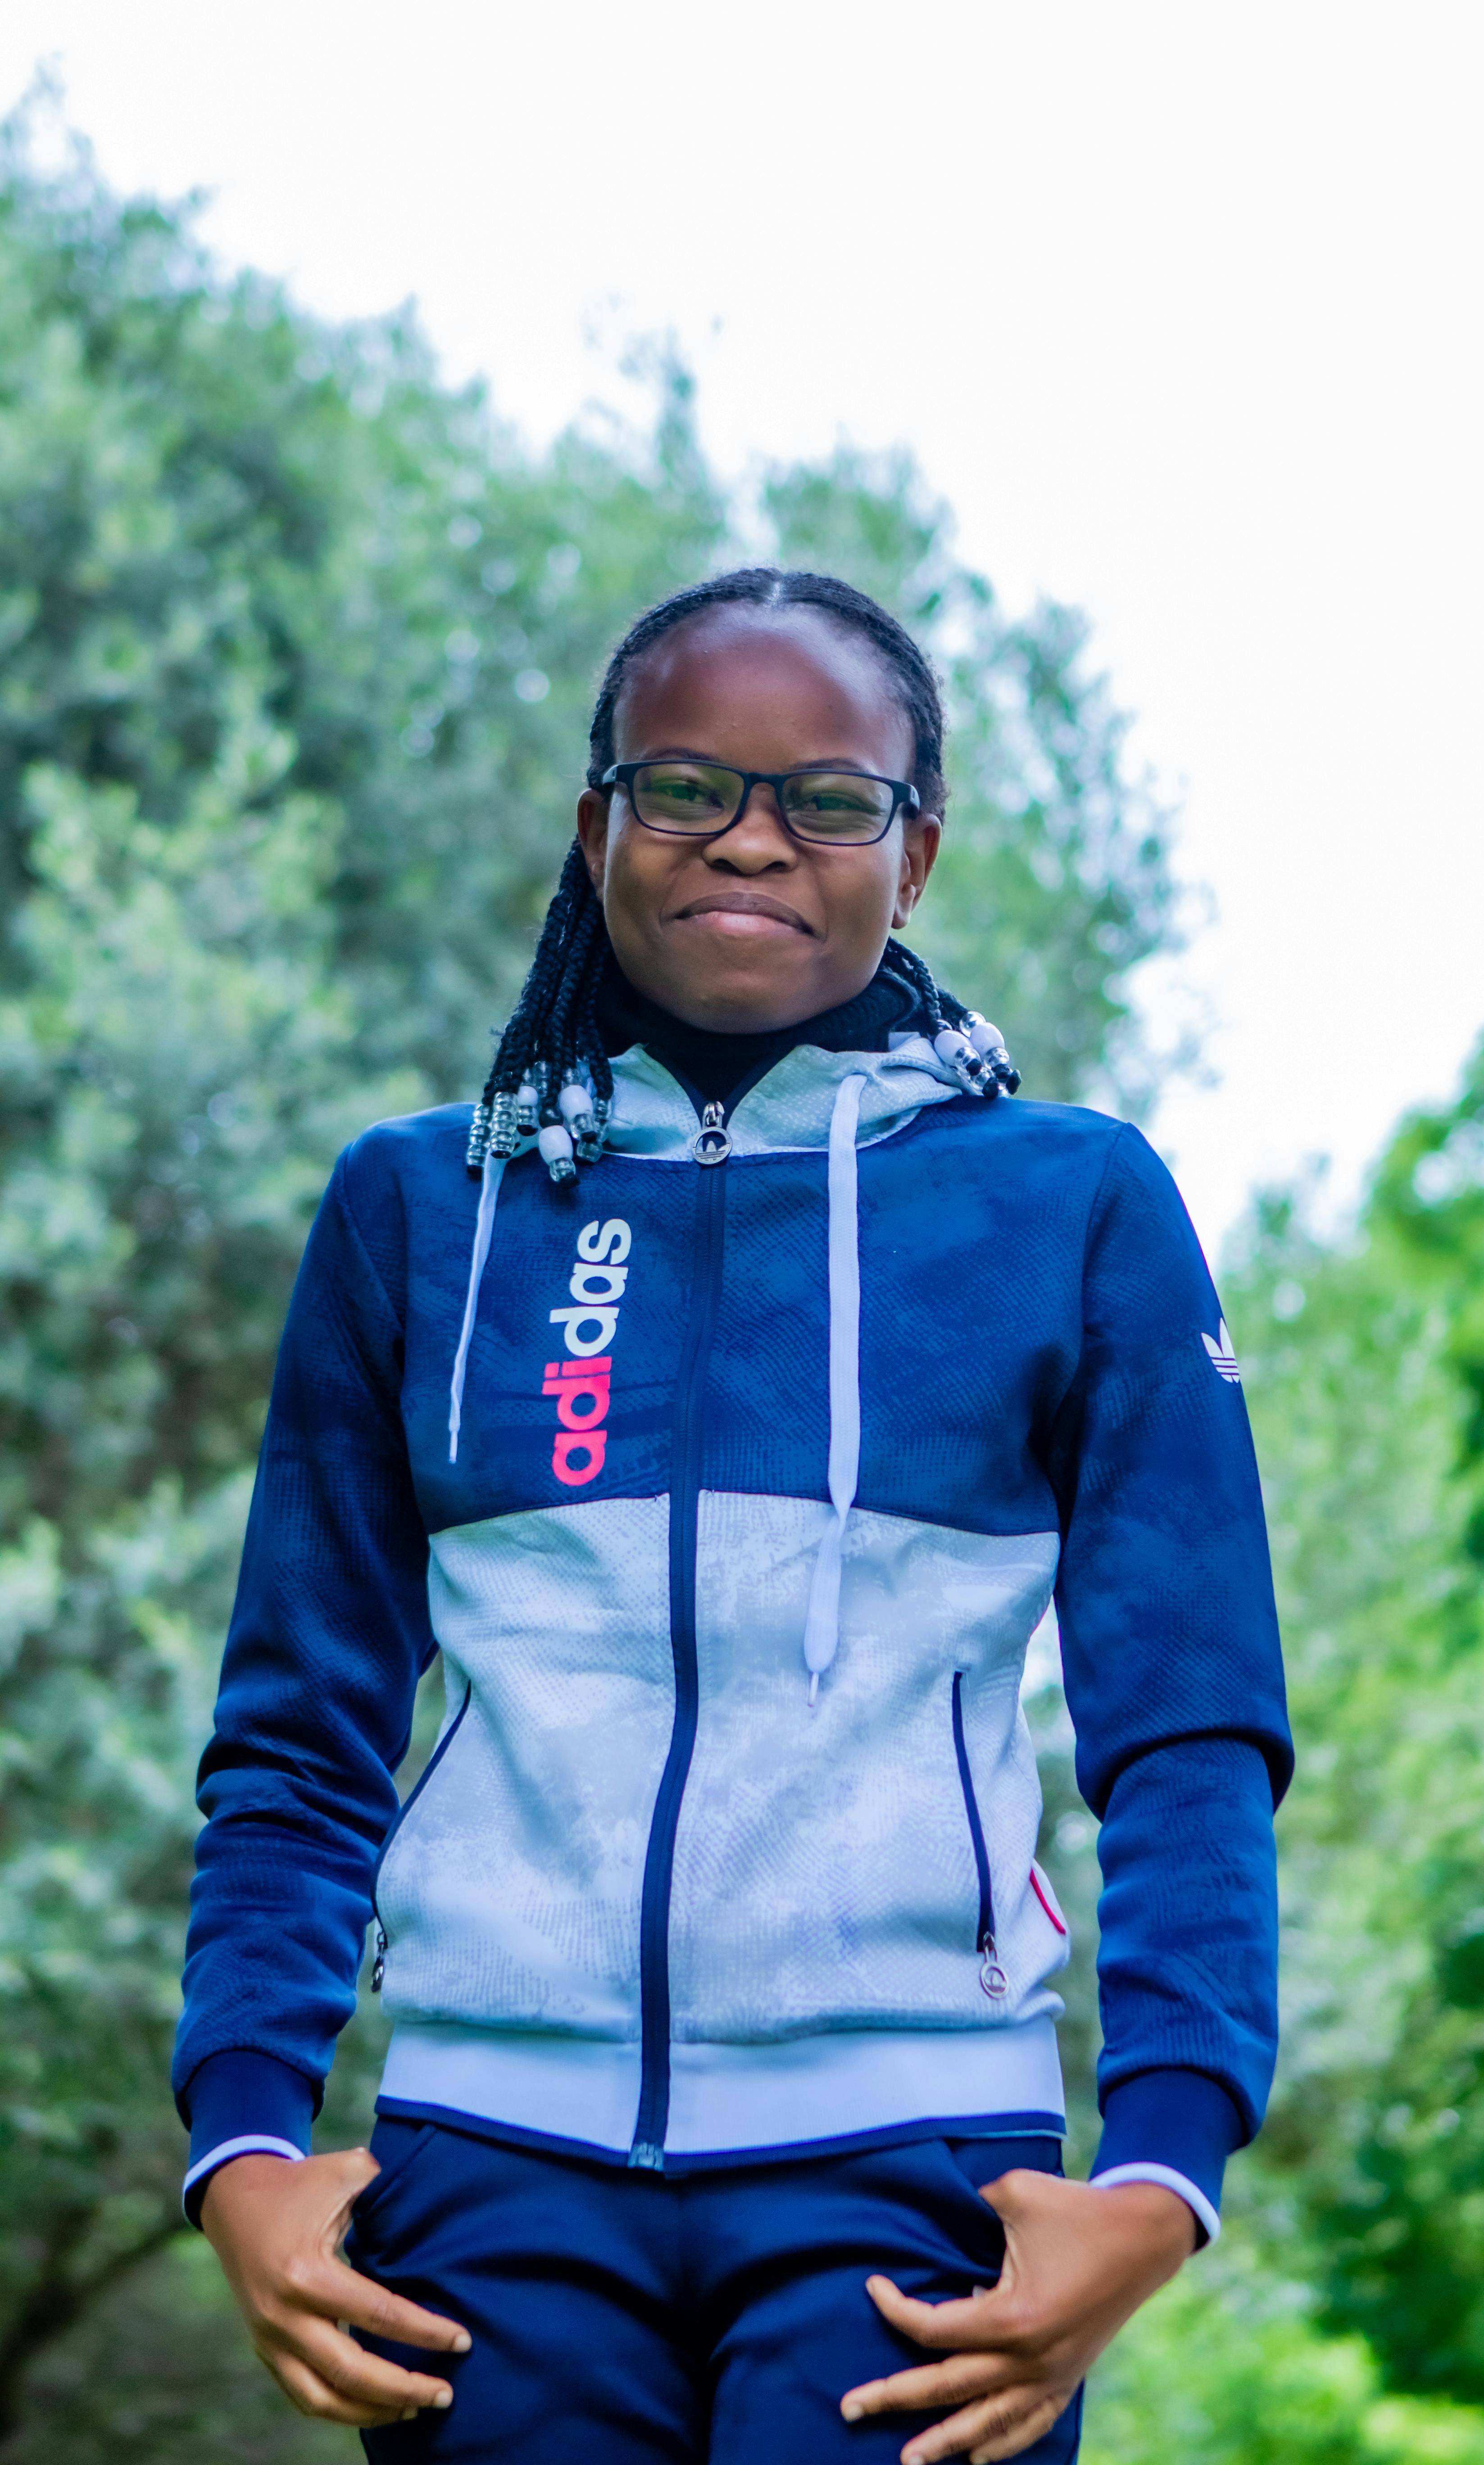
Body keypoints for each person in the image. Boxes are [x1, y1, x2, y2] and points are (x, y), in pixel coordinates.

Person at [175, 568, 1291, 2464]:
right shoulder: (417, 1212)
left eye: (827, 799)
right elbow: (299, 1738)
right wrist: (246, 2145)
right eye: (685, 786)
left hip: (918, 2182)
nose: (751, 839)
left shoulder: (1074, 1202)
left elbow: (1187, 1736)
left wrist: (1163, 2171)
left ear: (912, 851)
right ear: (598, 818)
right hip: (483, 2186)